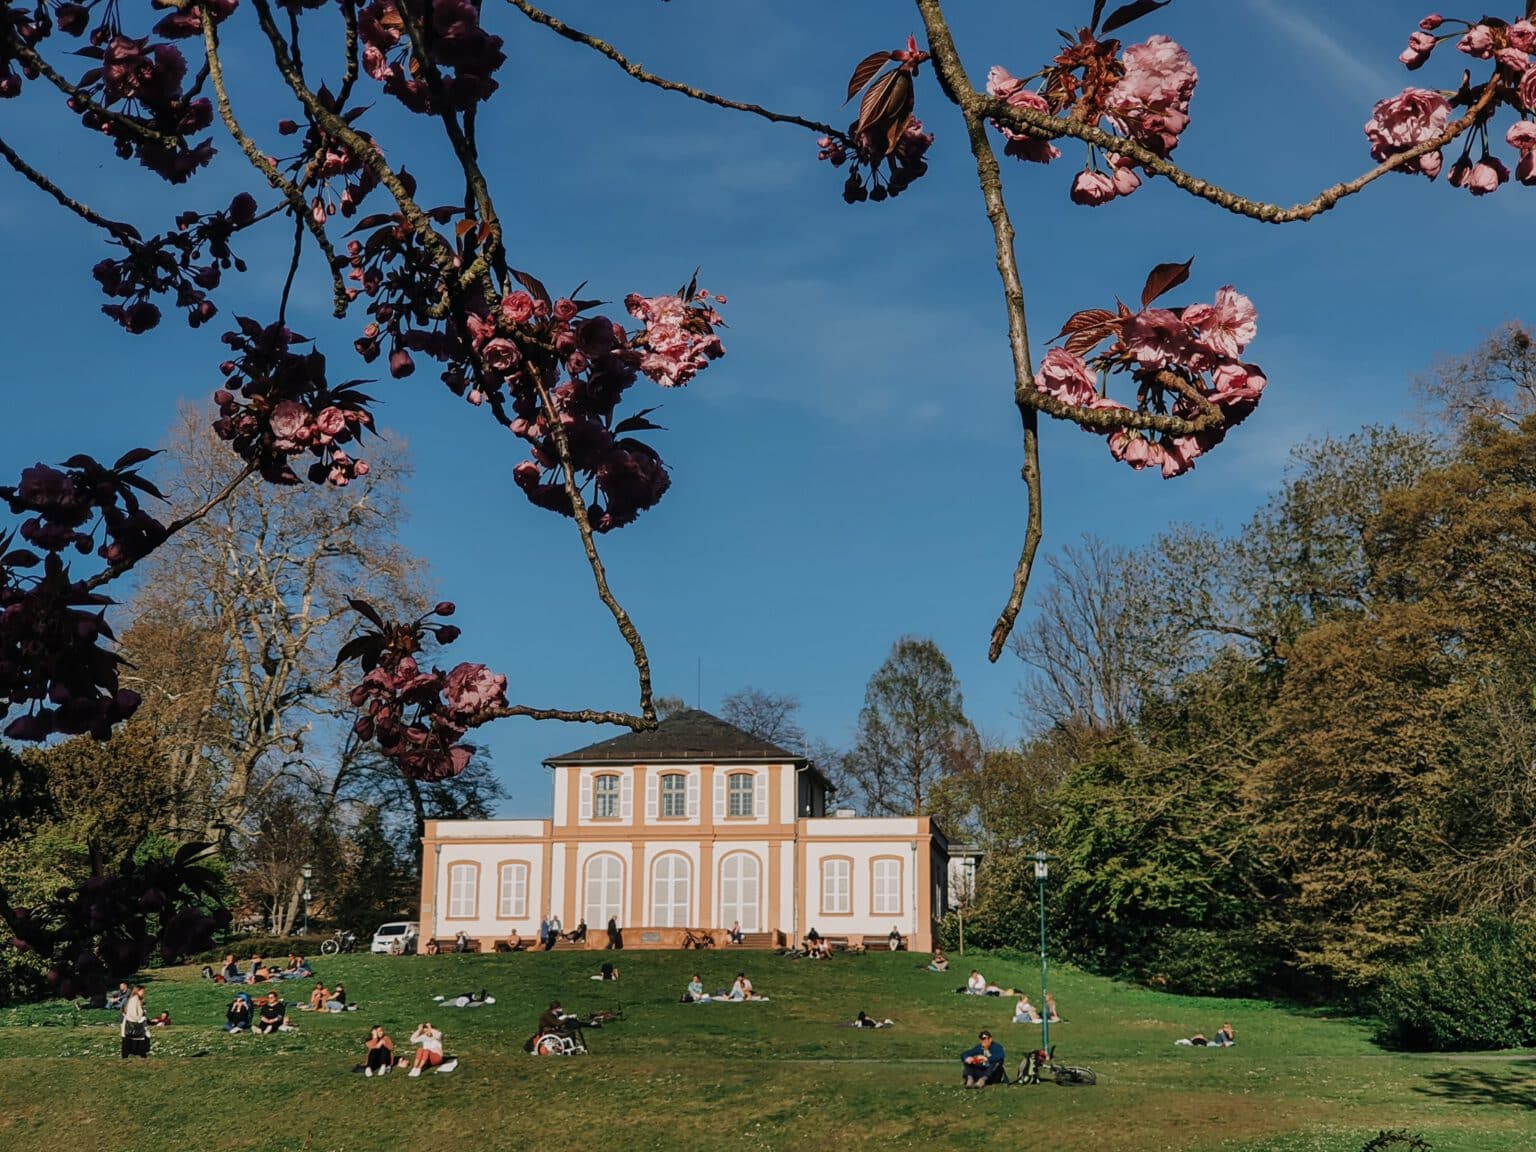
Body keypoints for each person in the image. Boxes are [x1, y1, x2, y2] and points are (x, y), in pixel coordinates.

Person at [120, 986, 150, 1059]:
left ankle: (137, 1054)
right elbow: (133, 1013)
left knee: (132, 1039)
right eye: (142, 991)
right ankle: (140, 1054)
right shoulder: (135, 1000)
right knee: (136, 1038)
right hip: (133, 1022)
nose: (143, 993)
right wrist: (140, 1018)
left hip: (132, 1022)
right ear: (137, 991)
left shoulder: (136, 999)